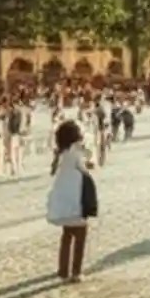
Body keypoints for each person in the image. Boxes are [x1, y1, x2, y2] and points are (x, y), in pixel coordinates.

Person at [47, 120, 96, 283]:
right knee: (80, 235)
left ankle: (63, 270)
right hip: (76, 199)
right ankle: (76, 271)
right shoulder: (76, 152)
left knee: (67, 235)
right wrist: (90, 162)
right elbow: (85, 167)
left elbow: (54, 170)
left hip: (63, 199)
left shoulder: (61, 153)